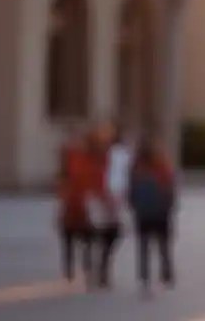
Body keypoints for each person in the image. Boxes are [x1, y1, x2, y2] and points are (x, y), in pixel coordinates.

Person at [127, 141, 176, 296]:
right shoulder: (162, 167)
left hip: (143, 214)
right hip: (161, 213)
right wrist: (168, 206)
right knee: (164, 246)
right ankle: (167, 275)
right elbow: (170, 189)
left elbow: (131, 193)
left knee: (143, 247)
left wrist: (135, 207)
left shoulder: (136, 169)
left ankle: (144, 277)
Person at [86, 124, 122, 289]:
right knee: (98, 237)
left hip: (107, 203)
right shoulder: (91, 160)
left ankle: (101, 271)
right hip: (95, 203)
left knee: (110, 236)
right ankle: (98, 272)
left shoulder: (112, 157)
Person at [56, 128, 95, 284]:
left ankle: (81, 268)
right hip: (74, 208)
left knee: (80, 241)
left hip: (80, 208)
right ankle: (74, 269)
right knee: (72, 240)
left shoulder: (82, 159)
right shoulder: (75, 160)